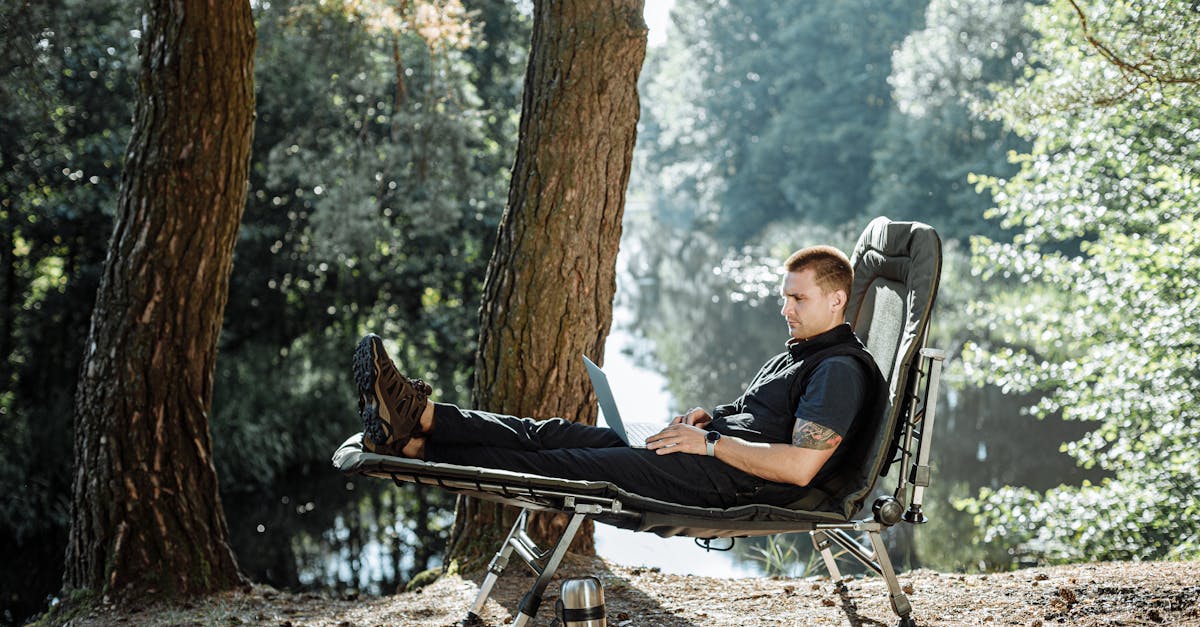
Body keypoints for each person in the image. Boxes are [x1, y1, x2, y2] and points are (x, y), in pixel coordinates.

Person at [353, 245, 886, 509]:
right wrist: (711, 420)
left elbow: (797, 468)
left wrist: (709, 442)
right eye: (783, 296)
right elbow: (764, 420)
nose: (786, 308)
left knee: (564, 466)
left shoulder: (837, 371)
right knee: (550, 434)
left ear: (837, 299)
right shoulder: (806, 350)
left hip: (730, 481)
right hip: (707, 455)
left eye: (799, 298)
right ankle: (420, 414)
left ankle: (416, 452)